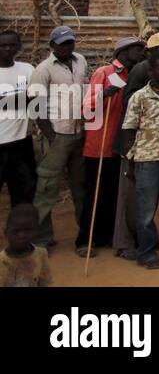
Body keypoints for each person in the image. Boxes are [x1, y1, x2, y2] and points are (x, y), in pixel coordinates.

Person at [76, 35, 148, 256]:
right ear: (123, 52)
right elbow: (85, 109)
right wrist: (103, 95)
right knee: (95, 194)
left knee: (115, 195)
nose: (141, 54)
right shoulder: (104, 73)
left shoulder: (136, 75)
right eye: (137, 50)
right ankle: (86, 240)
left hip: (122, 145)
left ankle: (109, 236)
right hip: (100, 142)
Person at [120, 47, 159, 269]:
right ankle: (146, 252)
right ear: (152, 71)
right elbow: (128, 129)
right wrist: (130, 159)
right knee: (146, 211)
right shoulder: (139, 97)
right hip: (147, 159)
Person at [110, 34, 159, 260]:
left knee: (146, 198)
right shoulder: (141, 72)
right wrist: (130, 146)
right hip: (135, 144)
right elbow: (129, 106)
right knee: (130, 197)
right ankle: (125, 242)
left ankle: (144, 239)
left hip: (154, 147)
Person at [29, 25, 88, 248]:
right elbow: (36, 105)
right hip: (56, 135)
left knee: (80, 188)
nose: (67, 47)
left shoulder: (80, 60)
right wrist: (51, 136)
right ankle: (40, 240)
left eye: (70, 42)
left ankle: (84, 239)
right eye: (62, 43)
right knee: (47, 188)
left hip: (79, 133)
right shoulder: (43, 69)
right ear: (52, 45)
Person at [0, 29, 37, 207]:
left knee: (24, 194)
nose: (7, 49)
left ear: (19, 47)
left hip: (21, 143)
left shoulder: (27, 70)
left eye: (12, 45)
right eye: (3, 45)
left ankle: (19, 233)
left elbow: (38, 99)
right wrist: (23, 98)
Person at [1, 204, 51, 287]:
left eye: (27, 230)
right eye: (15, 231)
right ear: (6, 233)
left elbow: (44, 283)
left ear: (37, 231)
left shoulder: (41, 254)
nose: (21, 236)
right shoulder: (2, 261)